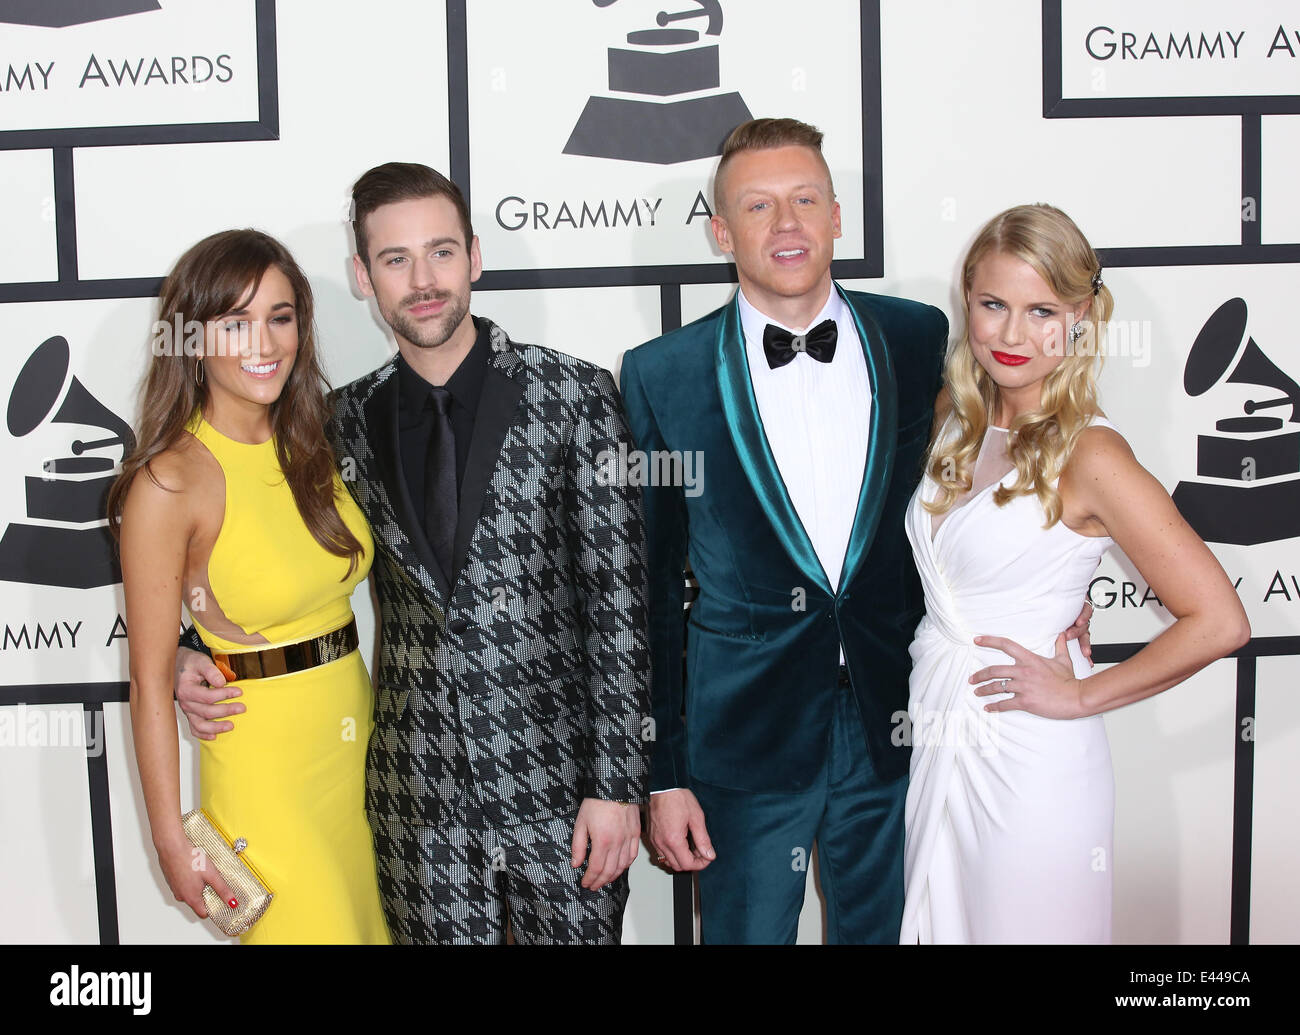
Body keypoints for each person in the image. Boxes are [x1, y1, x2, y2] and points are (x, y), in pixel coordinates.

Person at [620, 117, 1082, 944]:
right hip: (744, 740)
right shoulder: (663, 373)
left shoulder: (916, 340)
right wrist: (663, 772)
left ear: (838, 216)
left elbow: (1000, 465)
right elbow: (650, 589)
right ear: (721, 232)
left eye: (805, 199)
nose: (786, 223)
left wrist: (1052, 599)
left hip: (898, 721)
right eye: (758, 206)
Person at [175, 163, 652, 944]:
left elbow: (620, 606)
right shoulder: (334, 422)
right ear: (363, 276)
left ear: (475, 256)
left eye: (440, 252)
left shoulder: (575, 395)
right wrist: (186, 649)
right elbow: (248, 540)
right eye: (395, 259)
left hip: (563, 793)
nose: (422, 280)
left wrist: (616, 786)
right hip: (413, 799)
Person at [899, 203, 1250, 944]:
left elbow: (1220, 620)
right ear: (969, 300)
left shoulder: (1092, 454)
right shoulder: (953, 418)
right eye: (994, 305)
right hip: (942, 735)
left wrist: (1084, 693)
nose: (1014, 334)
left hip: (1033, 759)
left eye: (1043, 311)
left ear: (1081, 316)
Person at [109, 229, 389, 943]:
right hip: (266, 772)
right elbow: (147, 680)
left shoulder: (316, 441)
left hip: (363, 753)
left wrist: (186, 649)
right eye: (234, 322)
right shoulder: (170, 480)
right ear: (192, 339)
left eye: (280, 316)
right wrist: (172, 841)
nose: (263, 341)